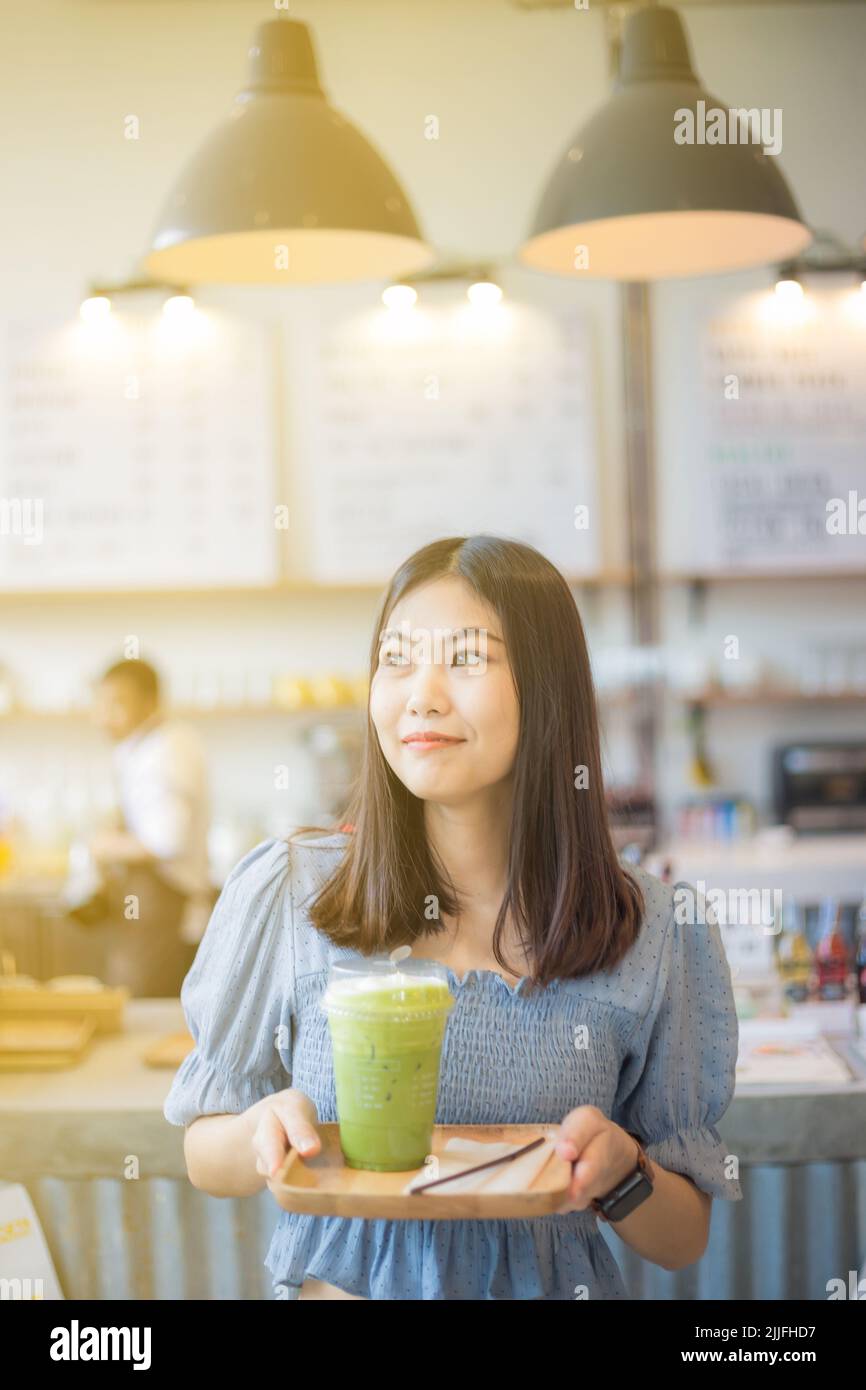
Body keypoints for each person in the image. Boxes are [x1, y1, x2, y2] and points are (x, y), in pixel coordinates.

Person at [164, 536, 743, 1300]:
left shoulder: (654, 929)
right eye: (396, 657)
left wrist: (623, 1171)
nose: (421, 695)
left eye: (468, 659)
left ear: (547, 689)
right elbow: (206, 1152)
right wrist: (259, 1132)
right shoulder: (290, 892)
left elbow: (682, 1239)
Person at [85, 657, 213, 997]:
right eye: (101, 703)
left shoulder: (167, 749)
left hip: (162, 904)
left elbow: (167, 841)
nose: (104, 716)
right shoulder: (140, 748)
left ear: (151, 701)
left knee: (144, 1006)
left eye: (118, 704)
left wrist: (102, 846)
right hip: (146, 905)